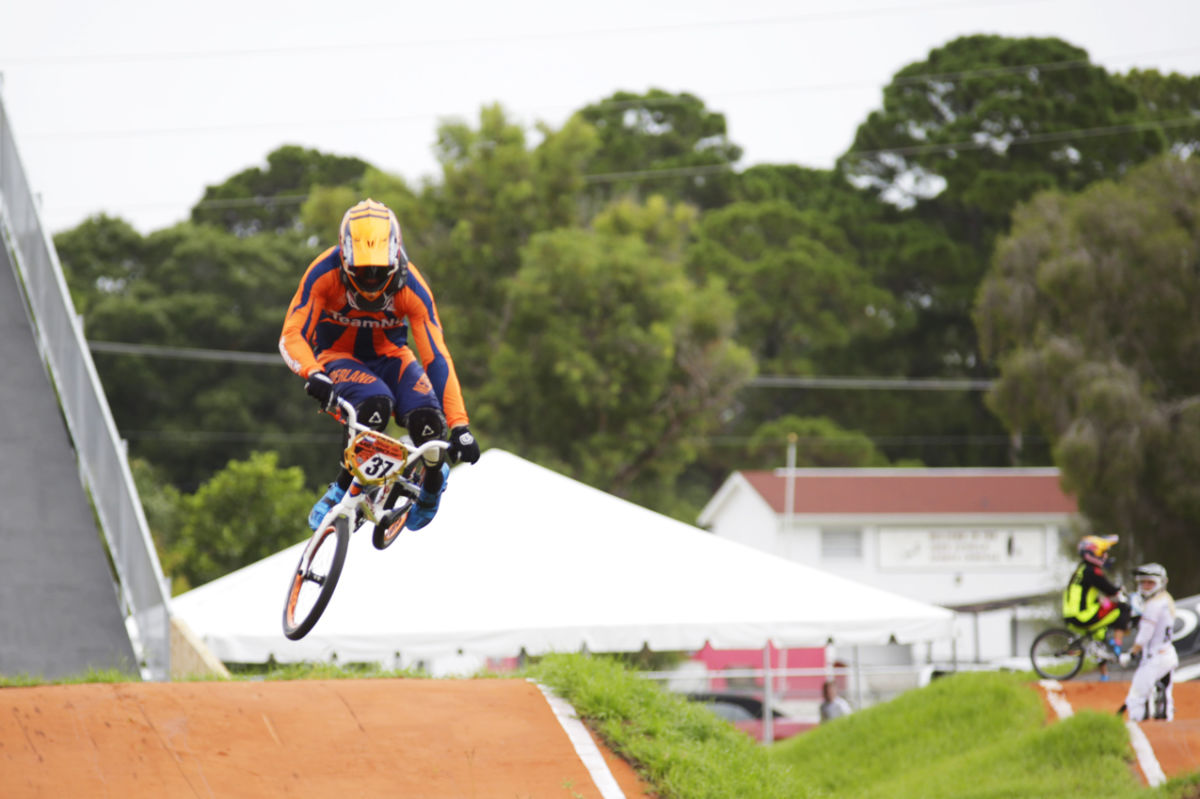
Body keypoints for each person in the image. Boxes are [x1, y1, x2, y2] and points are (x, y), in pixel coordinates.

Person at [279, 198, 480, 532]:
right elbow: (291, 334)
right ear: (344, 260)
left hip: (392, 356)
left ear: (395, 260)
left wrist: (460, 426)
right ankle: (343, 488)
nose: (371, 283)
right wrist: (312, 372)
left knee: (430, 422)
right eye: (361, 273)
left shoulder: (412, 286)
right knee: (374, 405)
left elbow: (436, 357)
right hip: (338, 356)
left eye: (379, 273)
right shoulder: (323, 272)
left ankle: (432, 481)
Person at [1061, 534, 1134, 680]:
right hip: (1082, 615)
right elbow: (1110, 589)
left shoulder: (1082, 569)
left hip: (1074, 613)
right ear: (1092, 554)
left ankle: (1104, 676)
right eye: (1102, 553)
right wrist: (1120, 590)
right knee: (1123, 608)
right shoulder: (1092, 571)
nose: (1105, 556)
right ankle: (1117, 645)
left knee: (1099, 636)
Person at [1121, 563, 1178, 721]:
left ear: (1161, 582)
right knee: (1165, 696)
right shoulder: (1166, 600)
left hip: (1155, 658)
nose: (1145, 586)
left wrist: (1131, 654)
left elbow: (1145, 635)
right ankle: (1166, 727)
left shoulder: (1153, 605)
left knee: (1136, 698)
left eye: (1150, 582)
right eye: (1142, 582)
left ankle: (1139, 731)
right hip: (1167, 653)